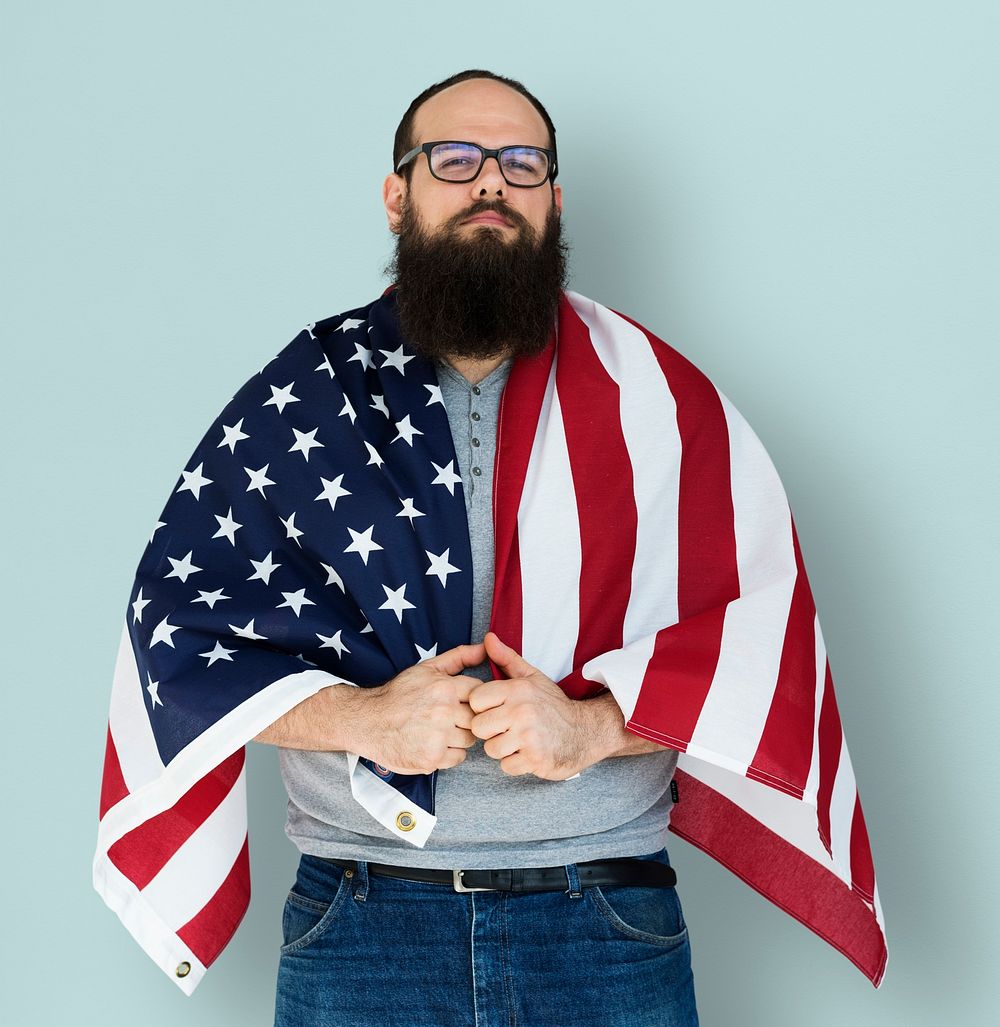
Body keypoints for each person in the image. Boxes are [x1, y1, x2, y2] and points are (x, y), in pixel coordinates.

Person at [94, 68, 887, 1027]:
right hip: (362, 923)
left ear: (554, 199)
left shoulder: (664, 405)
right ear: (399, 194)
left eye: (522, 164)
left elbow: (765, 649)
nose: (490, 185)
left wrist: (592, 729)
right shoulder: (301, 398)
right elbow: (178, 651)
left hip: (601, 920)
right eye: (455, 159)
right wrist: (364, 719)